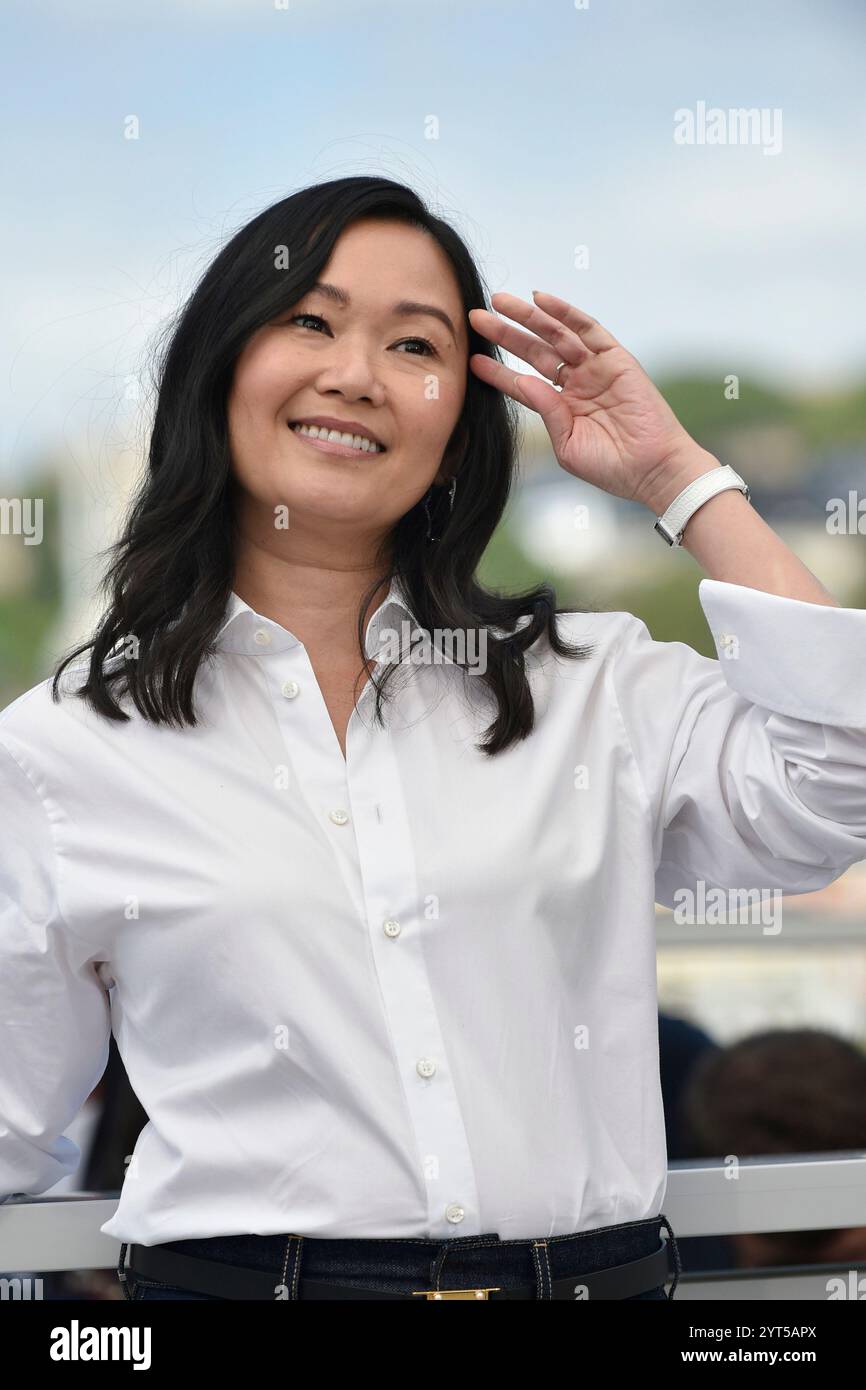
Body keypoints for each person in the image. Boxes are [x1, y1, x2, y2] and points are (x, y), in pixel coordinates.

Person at [1, 175, 865, 1302]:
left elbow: (836, 781)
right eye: (308, 320)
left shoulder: (589, 684)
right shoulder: (65, 746)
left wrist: (678, 480)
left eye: (414, 346)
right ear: (218, 374)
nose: (354, 375)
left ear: (459, 429)